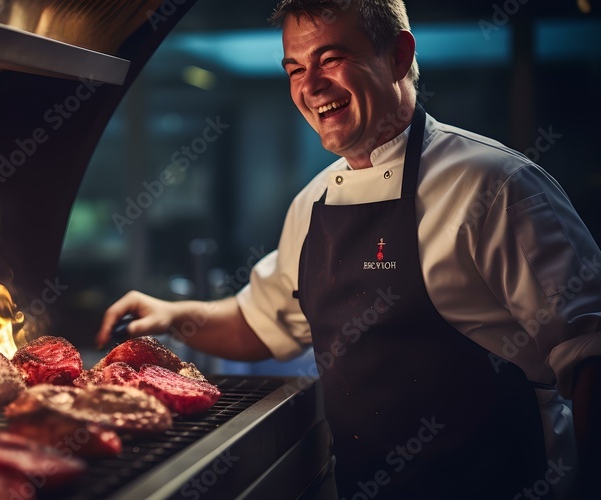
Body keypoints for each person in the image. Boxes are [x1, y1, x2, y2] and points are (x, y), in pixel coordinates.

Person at [94, 1, 600, 498]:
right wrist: (171, 313)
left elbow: (589, 356)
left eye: (331, 59)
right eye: (295, 68)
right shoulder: (313, 202)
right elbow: (260, 323)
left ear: (399, 56)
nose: (310, 87)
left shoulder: (496, 186)